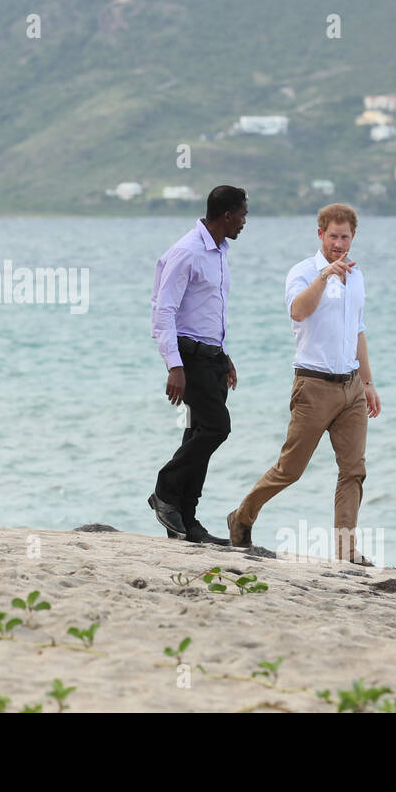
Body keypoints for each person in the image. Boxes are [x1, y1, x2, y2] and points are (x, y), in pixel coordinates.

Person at [226, 203, 381, 564]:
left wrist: (369, 382)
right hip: (313, 387)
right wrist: (325, 275)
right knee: (290, 470)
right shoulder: (302, 272)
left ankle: (345, 552)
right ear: (320, 235)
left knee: (354, 471)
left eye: (345, 237)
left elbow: (358, 330)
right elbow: (298, 310)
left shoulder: (357, 277)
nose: (339, 244)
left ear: (353, 237)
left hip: (352, 387)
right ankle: (242, 516)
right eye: (333, 237)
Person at [148, 185, 248, 544]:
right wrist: (174, 366)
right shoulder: (187, 252)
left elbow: (207, 313)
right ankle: (164, 490)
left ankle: (187, 521)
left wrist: (224, 356)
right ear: (226, 215)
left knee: (197, 432)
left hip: (212, 358)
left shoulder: (219, 252)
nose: (244, 222)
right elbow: (163, 311)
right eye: (242, 215)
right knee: (216, 428)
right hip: (189, 357)